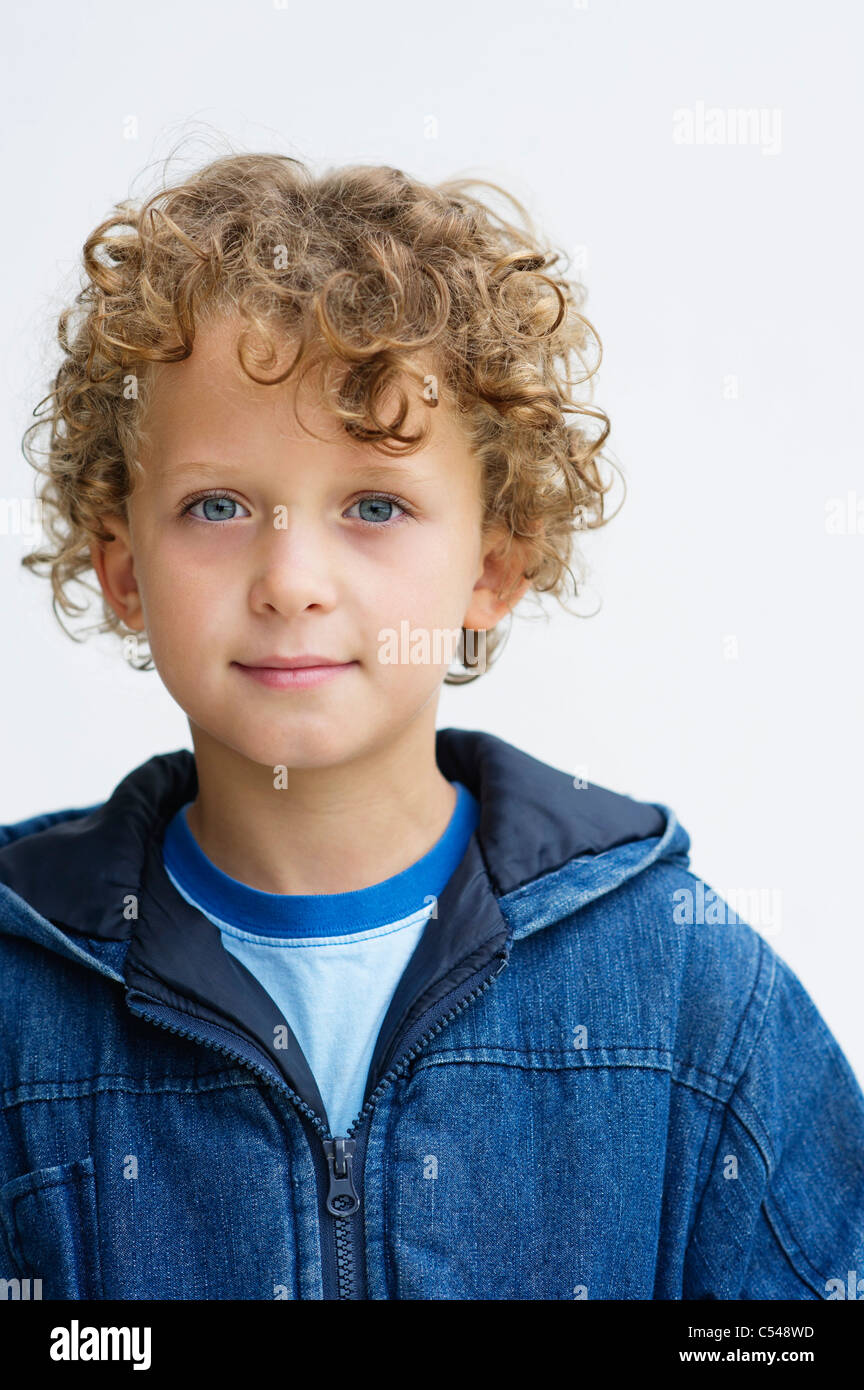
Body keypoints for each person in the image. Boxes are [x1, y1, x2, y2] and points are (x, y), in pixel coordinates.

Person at [1, 152, 862, 1301]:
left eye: (374, 505)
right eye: (216, 505)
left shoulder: (690, 991)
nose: (291, 579)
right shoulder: (19, 995)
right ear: (121, 566)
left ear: (494, 567)